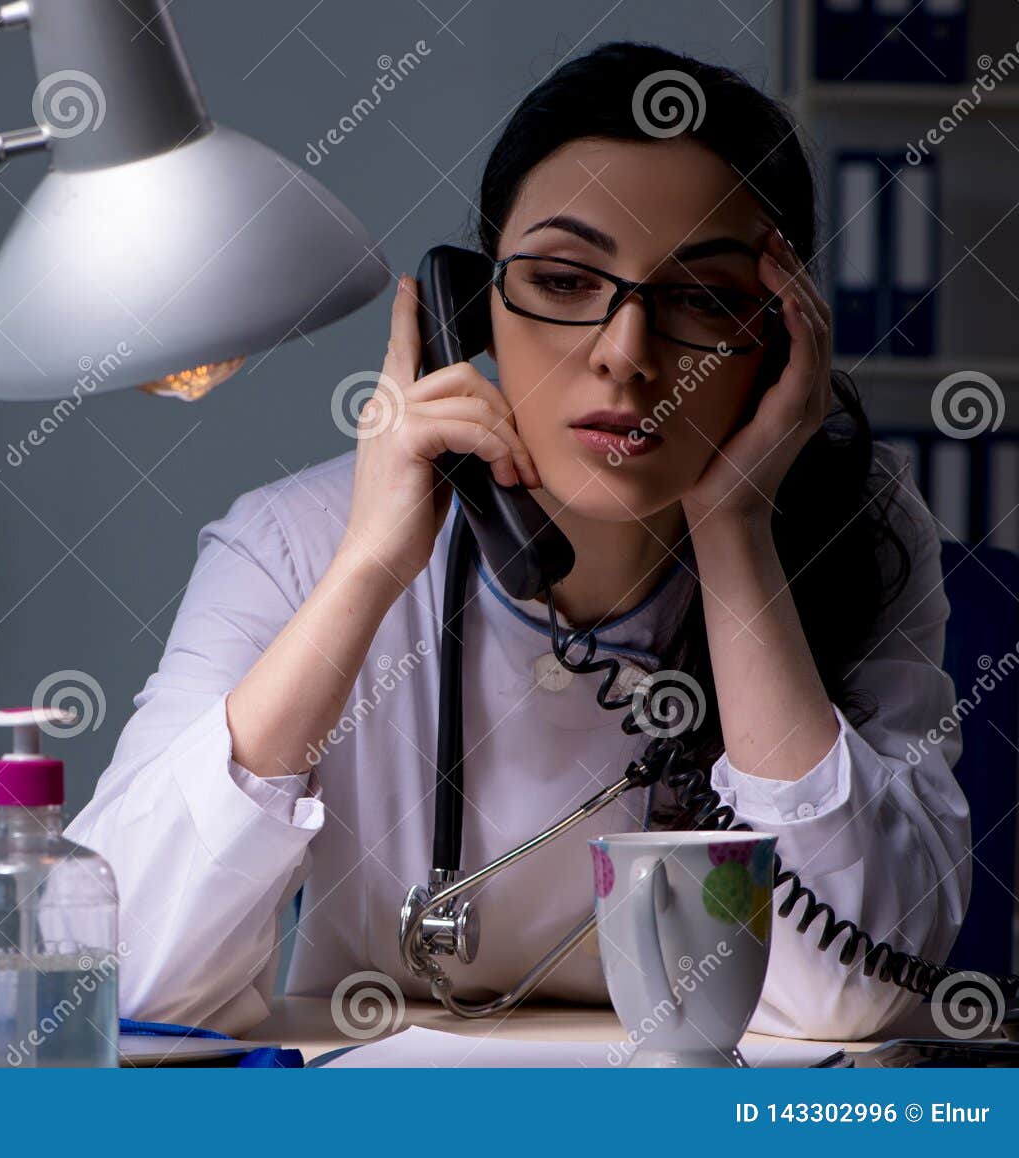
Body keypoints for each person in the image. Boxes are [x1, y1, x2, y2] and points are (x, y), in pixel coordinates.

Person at [64, 41, 969, 1041]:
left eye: (703, 300)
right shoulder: (293, 544)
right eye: (565, 280)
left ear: (784, 341)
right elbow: (114, 982)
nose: (626, 357)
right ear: (472, 311)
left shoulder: (857, 525)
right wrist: (367, 572)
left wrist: (734, 532)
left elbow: (850, 990)